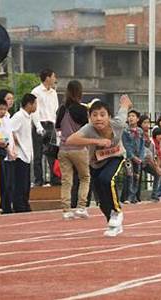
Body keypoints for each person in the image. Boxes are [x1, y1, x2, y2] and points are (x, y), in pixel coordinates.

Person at [66, 95, 132, 237]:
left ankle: (117, 211)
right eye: (94, 115)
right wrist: (97, 142)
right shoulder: (89, 129)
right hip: (95, 163)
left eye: (102, 115)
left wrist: (125, 102)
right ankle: (113, 224)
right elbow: (70, 140)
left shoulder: (118, 124)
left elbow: (124, 108)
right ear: (90, 118)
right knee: (101, 200)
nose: (99, 118)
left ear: (109, 117)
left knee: (107, 179)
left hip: (115, 157)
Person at [56, 80, 90, 220]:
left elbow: (57, 128)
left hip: (64, 148)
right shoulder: (82, 109)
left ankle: (66, 209)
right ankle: (81, 207)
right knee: (84, 177)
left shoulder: (62, 109)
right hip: (79, 148)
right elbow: (87, 128)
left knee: (66, 180)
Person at [31, 68, 60, 187]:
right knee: (38, 154)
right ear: (47, 78)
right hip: (40, 123)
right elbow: (34, 110)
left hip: (51, 124)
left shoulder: (53, 93)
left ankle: (55, 178)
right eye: (53, 76)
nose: (55, 79)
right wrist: (38, 126)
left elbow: (55, 110)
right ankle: (38, 179)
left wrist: (55, 126)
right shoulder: (36, 92)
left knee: (53, 153)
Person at [11, 94, 38, 213]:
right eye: (35, 103)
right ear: (29, 104)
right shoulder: (19, 116)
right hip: (20, 155)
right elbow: (10, 130)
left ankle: (25, 203)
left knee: (26, 183)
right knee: (20, 183)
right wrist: (16, 143)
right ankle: (19, 205)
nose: (36, 106)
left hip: (27, 154)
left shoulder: (28, 117)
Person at [0, 89, 17, 213]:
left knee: (10, 183)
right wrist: (8, 150)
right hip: (3, 154)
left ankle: (8, 206)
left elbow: (10, 135)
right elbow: (2, 136)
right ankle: (3, 207)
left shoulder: (9, 116)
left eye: (12, 99)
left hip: (11, 154)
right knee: (4, 183)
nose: (11, 101)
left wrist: (13, 149)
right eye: (8, 98)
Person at [121, 110, 144, 204]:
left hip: (138, 157)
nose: (131, 118)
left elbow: (142, 145)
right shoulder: (125, 131)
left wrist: (141, 157)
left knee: (136, 176)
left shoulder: (140, 131)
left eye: (133, 116)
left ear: (137, 119)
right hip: (128, 157)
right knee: (129, 175)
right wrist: (132, 156)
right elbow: (126, 145)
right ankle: (128, 197)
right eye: (129, 116)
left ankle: (133, 196)